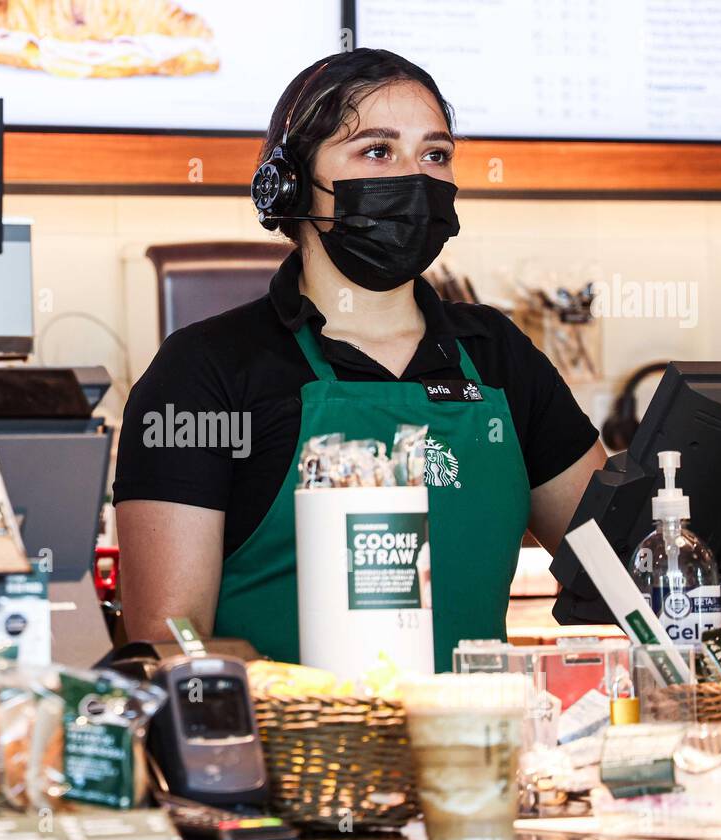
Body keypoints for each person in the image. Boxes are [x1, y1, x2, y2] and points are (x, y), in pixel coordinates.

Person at [113, 48, 605, 669]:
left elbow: (616, 562)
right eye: (377, 151)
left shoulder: (497, 353)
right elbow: (170, 647)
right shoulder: (206, 370)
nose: (416, 177)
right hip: (290, 755)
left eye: (435, 154)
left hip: (474, 749)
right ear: (291, 183)